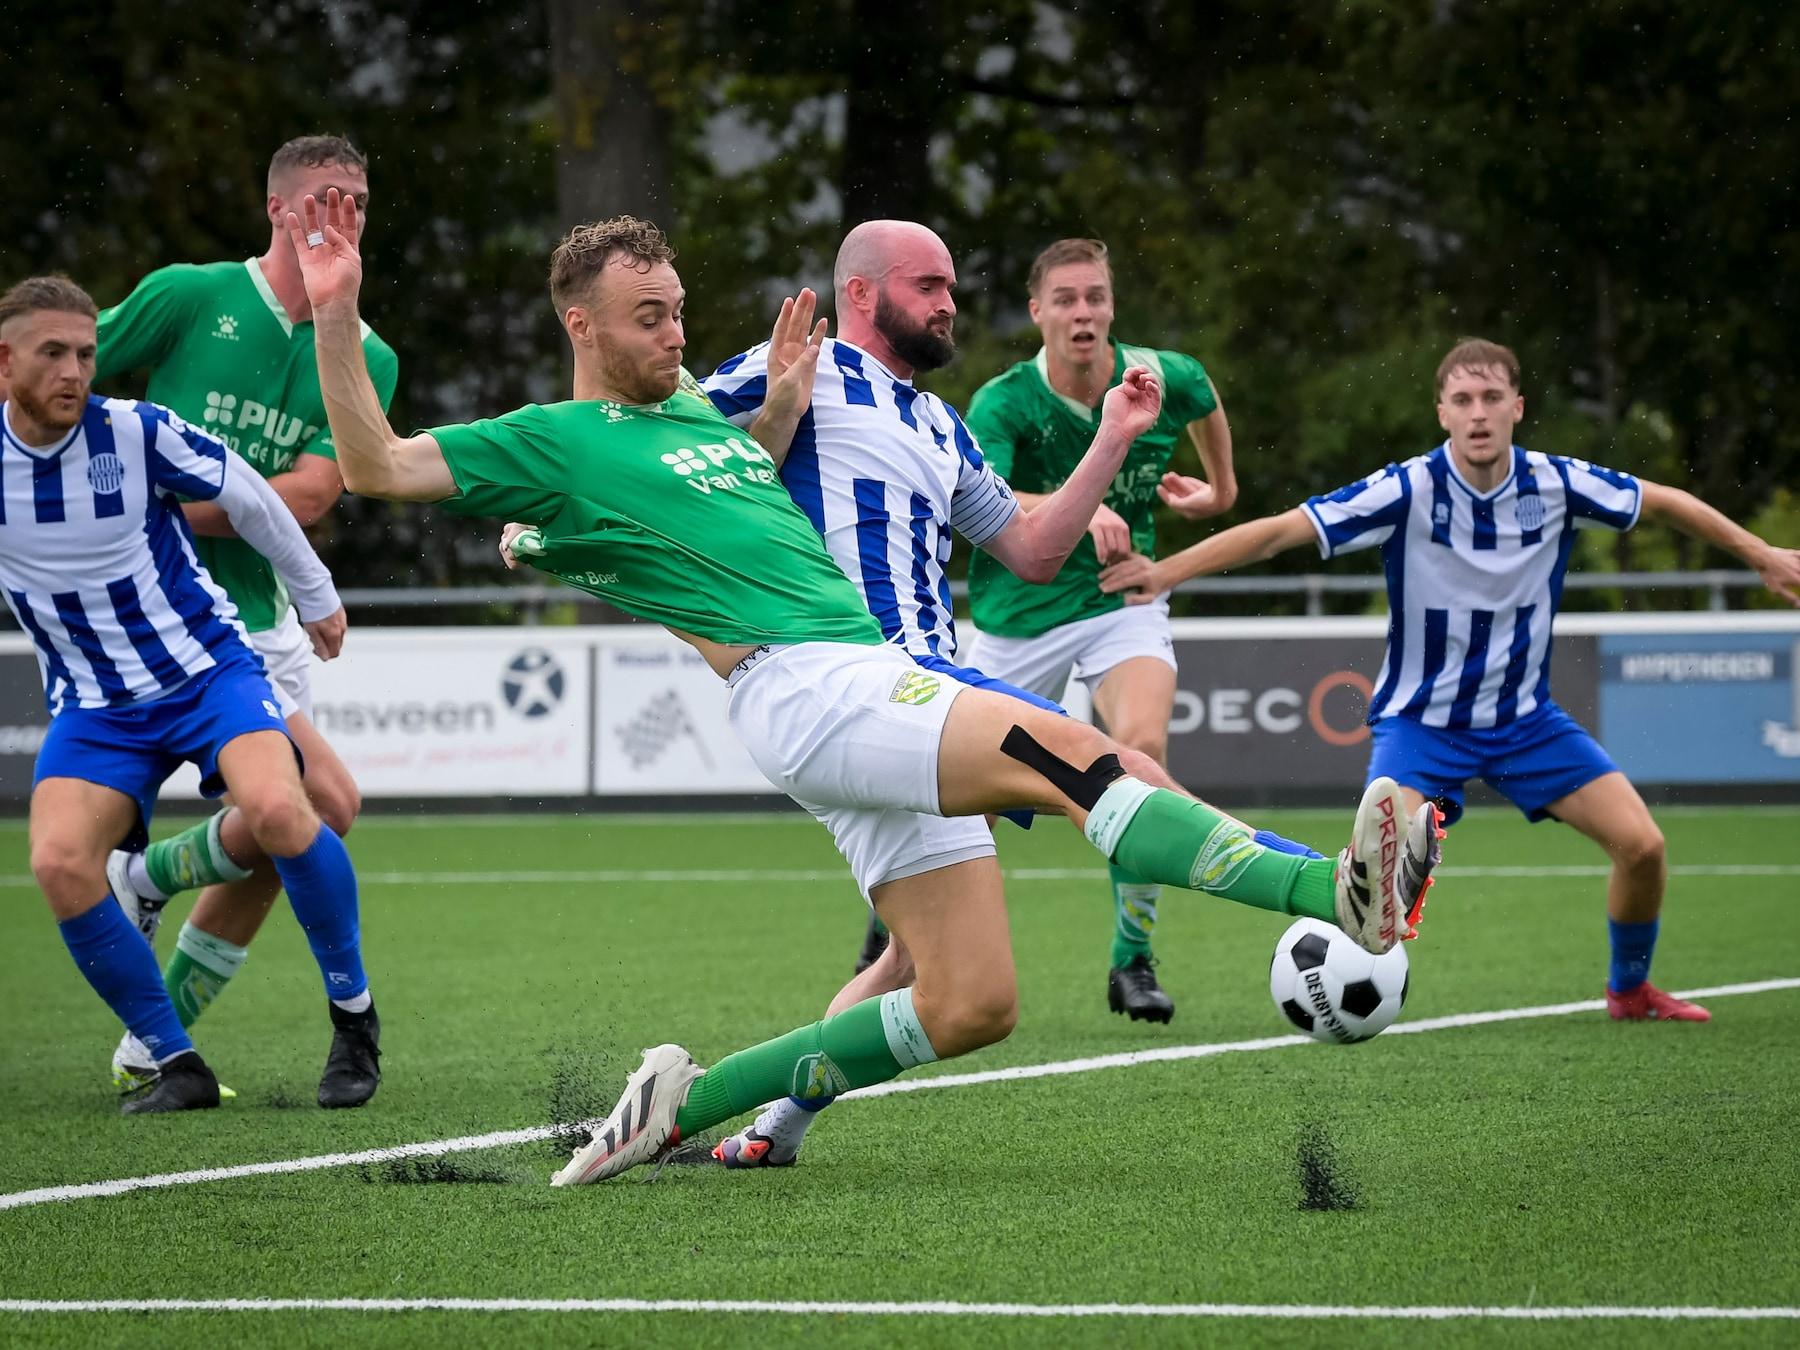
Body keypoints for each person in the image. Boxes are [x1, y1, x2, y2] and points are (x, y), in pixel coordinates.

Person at [289, 191, 1434, 1184]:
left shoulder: (702, 409)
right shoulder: (557, 437)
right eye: (652, 317)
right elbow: (380, 466)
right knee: (1079, 754)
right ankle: (1332, 891)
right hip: (818, 683)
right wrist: (338, 311)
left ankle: (685, 1103)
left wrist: (778, 409)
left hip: (859, 683)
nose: (678, 333)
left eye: (682, 309)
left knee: (970, 1000)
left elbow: (753, 471)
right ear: (579, 324)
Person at [689, 221, 1338, 1169]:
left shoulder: (938, 424)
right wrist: (551, 521)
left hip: (909, 694)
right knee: (1110, 762)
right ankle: (1325, 886)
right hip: (849, 679)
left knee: (947, 987)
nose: (951, 301)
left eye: (953, 284)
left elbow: (1032, 554)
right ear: (863, 295)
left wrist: (1115, 437)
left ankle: (761, 1127)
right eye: (930, 284)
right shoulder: (798, 365)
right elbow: (665, 457)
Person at [1101, 337, 1800, 1021]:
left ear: (1517, 407)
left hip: (1527, 724)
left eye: (1492, 397)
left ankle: (1630, 991)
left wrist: (1760, 555)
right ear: (1442, 412)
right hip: (1422, 727)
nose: (1478, 412)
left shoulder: (1554, 482)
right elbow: (1282, 531)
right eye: (1462, 399)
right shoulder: (1408, 488)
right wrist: (1167, 572)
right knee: (1368, 883)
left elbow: (1663, 501)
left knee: (1644, 847)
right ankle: (1322, 900)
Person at [0, 275, 377, 1112]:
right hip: (96, 709)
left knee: (288, 809)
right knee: (59, 862)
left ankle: (354, 1022)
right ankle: (176, 1063)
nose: (75, 371)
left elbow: (249, 496)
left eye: (86, 354)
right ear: (4, 363)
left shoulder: (134, 433)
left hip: (207, 674)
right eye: (53, 353)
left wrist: (316, 596)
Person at [93, 134, 396, 1090]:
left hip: (263, 618)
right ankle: (154, 952)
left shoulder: (366, 353)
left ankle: (153, 1021)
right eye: (321, 201)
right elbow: (54, 370)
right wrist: (96, 499)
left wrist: (151, 492)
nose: (339, 217)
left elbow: (307, 496)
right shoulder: (190, 296)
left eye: (355, 201)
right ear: (278, 211)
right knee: (324, 807)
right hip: (158, 609)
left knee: (294, 825)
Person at [962, 238, 1240, 1024]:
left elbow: (1205, 397)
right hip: (1019, 617)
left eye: (1095, 297)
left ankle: (1133, 960)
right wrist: (1078, 505)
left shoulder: (1160, 376)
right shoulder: (1004, 403)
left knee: (1142, 748)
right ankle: (892, 934)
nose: (1083, 312)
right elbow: (973, 494)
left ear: (1111, 305)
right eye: (1066, 299)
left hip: (1123, 602)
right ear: (1038, 312)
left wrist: (1220, 492)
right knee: (962, 804)